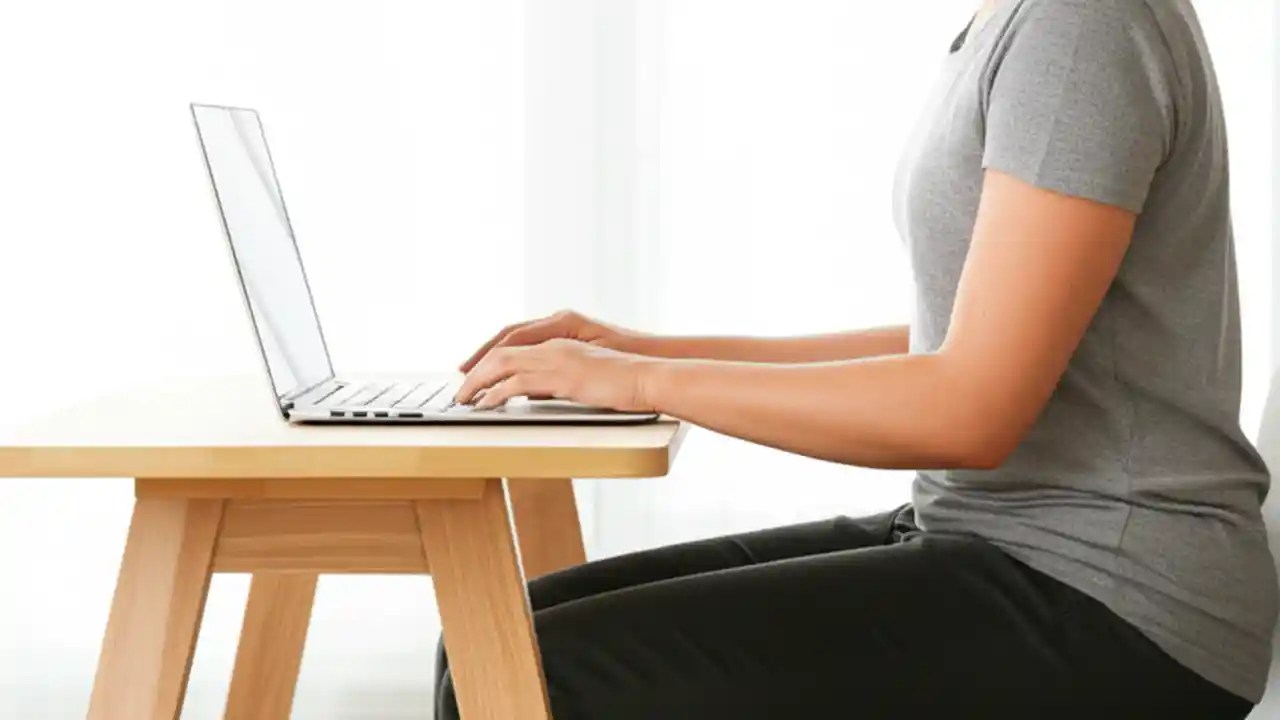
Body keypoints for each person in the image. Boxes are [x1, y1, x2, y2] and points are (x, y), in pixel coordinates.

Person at [441, 0, 1277, 717]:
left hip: (1120, 601)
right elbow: (949, 341)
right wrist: (645, 352)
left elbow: (969, 409)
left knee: (537, 674)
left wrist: (643, 382)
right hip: (1004, 541)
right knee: (483, 640)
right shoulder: (1020, 23)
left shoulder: (1081, 28)